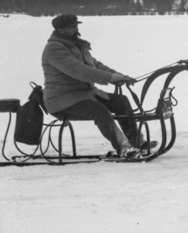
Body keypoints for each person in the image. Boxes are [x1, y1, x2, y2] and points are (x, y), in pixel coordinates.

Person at [41, 14, 144, 160]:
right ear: (60, 30)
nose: (76, 29)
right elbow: (79, 70)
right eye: (72, 27)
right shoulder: (54, 48)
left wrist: (118, 76)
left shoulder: (77, 45)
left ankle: (137, 143)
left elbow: (96, 65)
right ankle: (124, 147)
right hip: (62, 100)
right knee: (98, 110)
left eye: (76, 26)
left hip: (84, 95)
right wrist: (110, 78)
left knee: (121, 101)